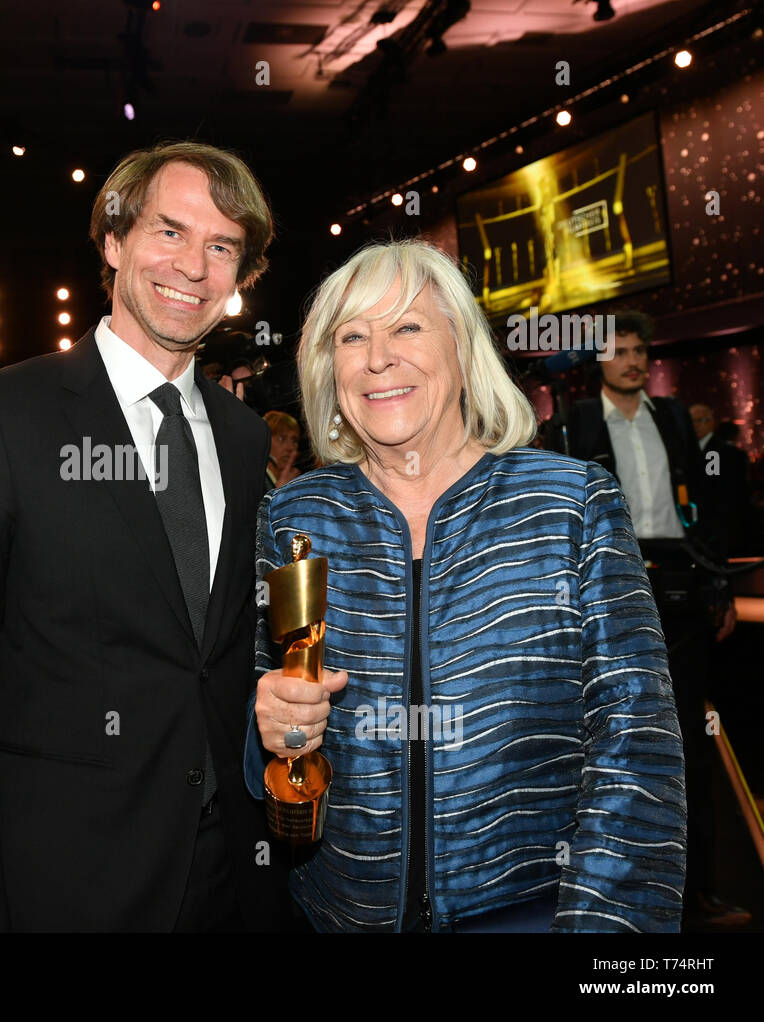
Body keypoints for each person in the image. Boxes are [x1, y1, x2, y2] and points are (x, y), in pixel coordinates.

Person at [0, 140, 290, 931]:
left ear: (240, 279)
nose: (193, 266)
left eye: (222, 247)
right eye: (170, 232)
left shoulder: (245, 440)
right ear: (114, 242)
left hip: (232, 879)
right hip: (66, 885)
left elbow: (218, 658)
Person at [247, 239, 686, 932]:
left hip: (531, 916)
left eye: (407, 327)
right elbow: (266, 700)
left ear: (463, 350)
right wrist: (269, 732)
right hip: (337, 914)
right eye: (351, 336)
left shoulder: (568, 506)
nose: (376, 357)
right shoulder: (297, 517)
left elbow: (635, 743)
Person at [562, 313, 745, 928]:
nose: (634, 360)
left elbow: (705, 506)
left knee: (690, 744)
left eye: (642, 350)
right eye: (621, 351)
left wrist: (715, 584)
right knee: (609, 745)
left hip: (680, 583)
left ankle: (700, 895)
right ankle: (611, 902)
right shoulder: (576, 422)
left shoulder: (674, 417)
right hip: (610, 586)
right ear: (598, 361)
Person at [688, 403, 751, 557]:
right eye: (691, 421)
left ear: (710, 422)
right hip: (702, 526)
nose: (695, 425)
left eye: (699, 420)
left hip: (716, 528)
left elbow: (712, 487)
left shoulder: (716, 452)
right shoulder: (692, 450)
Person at [263, 410, 301, 489]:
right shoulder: (251, 478)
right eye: (281, 438)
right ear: (264, 440)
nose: (290, 447)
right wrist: (282, 489)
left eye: (294, 441)